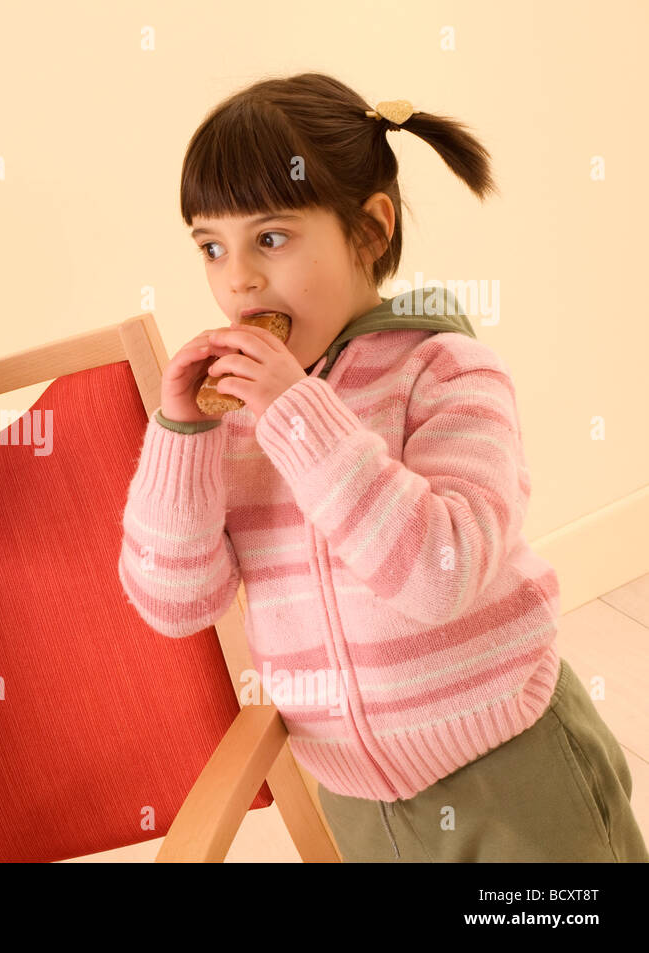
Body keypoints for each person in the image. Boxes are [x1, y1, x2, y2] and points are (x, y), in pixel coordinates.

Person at [118, 73, 648, 862]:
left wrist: (298, 415)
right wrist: (180, 433)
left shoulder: (447, 373)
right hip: (359, 804)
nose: (239, 280)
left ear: (370, 230)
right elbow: (175, 603)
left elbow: (441, 572)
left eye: (270, 238)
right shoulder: (238, 423)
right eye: (211, 247)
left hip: (511, 771)